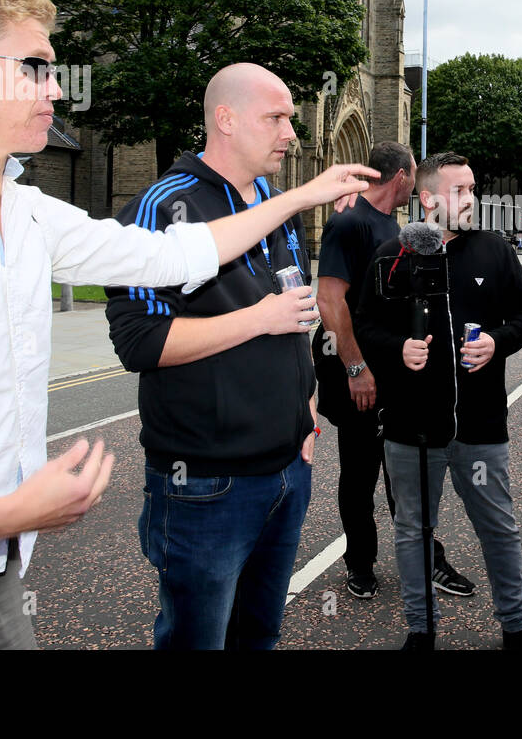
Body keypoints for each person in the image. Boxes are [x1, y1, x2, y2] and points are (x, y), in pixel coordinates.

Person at [0, 0, 373, 649]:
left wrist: (297, 198)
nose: (57, 91)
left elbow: (175, 256)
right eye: (34, 69)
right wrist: (1, 511)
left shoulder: (28, 213)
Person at [103, 63, 377, 650]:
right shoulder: (163, 205)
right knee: (196, 640)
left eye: (290, 118)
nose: (291, 132)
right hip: (206, 485)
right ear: (225, 120)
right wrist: (258, 320)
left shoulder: (276, 206)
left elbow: (297, 311)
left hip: (285, 473)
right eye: (275, 117)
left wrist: (304, 415)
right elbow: (140, 342)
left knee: (257, 635)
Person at [355, 152, 522, 650]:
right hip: (409, 427)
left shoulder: (494, 250)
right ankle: (421, 632)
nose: (471, 199)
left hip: (480, 427)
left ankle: (517, 627)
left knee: (498, 529)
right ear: (426, 199)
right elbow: (365, 326)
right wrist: (397, 348)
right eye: (459, 190)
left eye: (472, 188)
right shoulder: (392, 255)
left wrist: (497, 342)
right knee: (413, 532)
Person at [311, 141, 474, 600]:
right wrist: (356, 367)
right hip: (355, 370)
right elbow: (329, 299)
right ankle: (360, 563)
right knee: (360, 471)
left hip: (394, 370)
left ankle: (427, 560)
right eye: (412, 179)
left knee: (405, 472)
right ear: (402, 177)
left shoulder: (394, 225)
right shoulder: (348, 222)